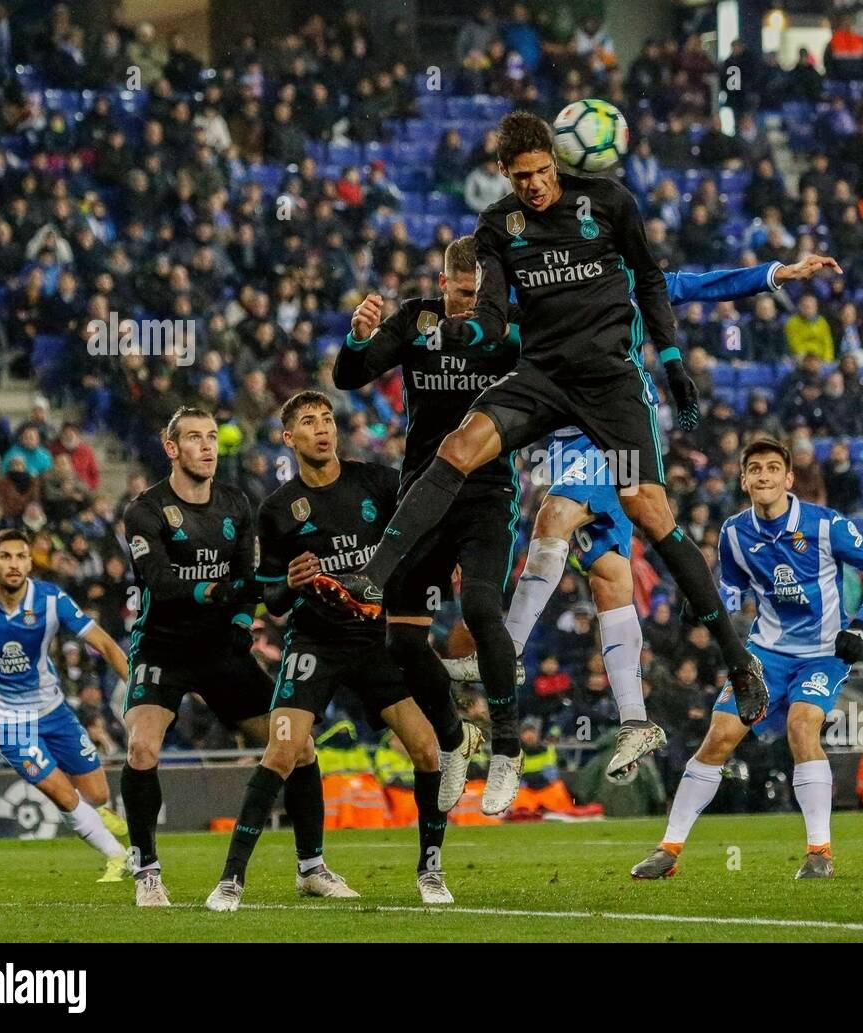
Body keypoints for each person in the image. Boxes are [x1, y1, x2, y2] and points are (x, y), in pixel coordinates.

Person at [316, 111, 774, 737]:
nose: (534, 186)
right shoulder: (497, 226)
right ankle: (371, 579)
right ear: (503, 173)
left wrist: (672, 363)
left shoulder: (610, 201)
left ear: (556, 163)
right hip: (543, 378)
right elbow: (495, 318)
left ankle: (737, 658)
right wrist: (454, 330)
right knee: (459, 444)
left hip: (612, 389)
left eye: (542, 172)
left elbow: (649, 280)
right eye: (521, 175)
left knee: (649, 511)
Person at [441, 257, 842, 782]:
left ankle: (508, 651)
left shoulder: (627, 283)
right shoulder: (538, 300)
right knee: (610, 577)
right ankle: (634, 720)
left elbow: (705, 281)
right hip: (565, 439)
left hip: (617, 430)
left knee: (553, 517)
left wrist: (777, 273)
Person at [206, 391, 454, 908]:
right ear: (288, 437)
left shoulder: (378, 482)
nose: (322, 429)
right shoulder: (277, 510)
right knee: (283, 748)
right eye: (309, 423)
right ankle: (231, 880)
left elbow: (421, 527)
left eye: (327, 420)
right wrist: (290, 583)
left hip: (372, 640)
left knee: (427, 749)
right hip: (314, 641)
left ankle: (430, 871)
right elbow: (271, 598)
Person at [630, 437, 863, 880]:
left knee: (802, 724)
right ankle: (669, 848)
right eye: (756, 469)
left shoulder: (826, 525)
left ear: (789, 479)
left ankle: (819, 853)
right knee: (718, 739)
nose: (764, 475)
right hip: (766, 653)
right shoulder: (735, 531)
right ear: (745, 479)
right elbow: (733, 589)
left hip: (823, 654)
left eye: (773, 468)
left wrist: (861, 625)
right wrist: (706, 600)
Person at [329, 236, 518, 816]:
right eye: (462, 294)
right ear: (442, 285)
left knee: (483, 610)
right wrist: (358, 338)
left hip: (486, 493)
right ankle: (457, 738)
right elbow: (348, 376)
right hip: (422, 493)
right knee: (403, 639)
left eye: (479, 296)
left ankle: (507, 749)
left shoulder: (505, 330)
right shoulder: (417, 321)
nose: (470, 307)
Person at [120, 408, 338, 907]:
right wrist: (214, 593)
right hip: (163, 647)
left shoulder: (237, 503)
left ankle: (312, 867)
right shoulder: (145, 510)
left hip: (222, 650)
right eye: (194, 438)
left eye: (213, 437)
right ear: (171, 448)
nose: (207, 446)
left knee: (299, 747)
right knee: (141, 750)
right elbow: (158, 581)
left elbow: (246, 580)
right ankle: (148, 873)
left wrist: (241, 621)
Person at [0, 529, 131, 882]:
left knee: (97, 793)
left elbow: (106, 644)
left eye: (20, 556)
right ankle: (119, 856)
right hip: (6, 719)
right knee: (60, 792)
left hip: (53, 710)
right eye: (5, 557)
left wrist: (136, 689)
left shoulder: (51, 601)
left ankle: (96, 816)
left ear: (31, 563)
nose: (13, 564)